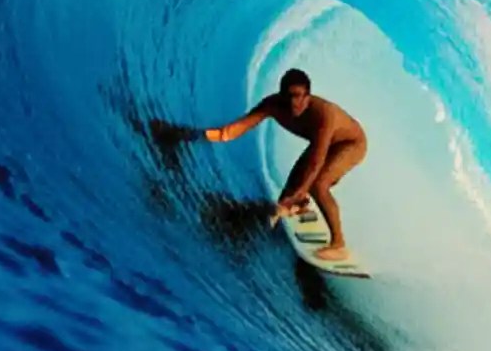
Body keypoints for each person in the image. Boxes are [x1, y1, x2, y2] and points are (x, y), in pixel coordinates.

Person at [153, 69, 367, 261]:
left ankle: (339, 244)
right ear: (281, 95)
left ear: (308, 96)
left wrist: (300, 191)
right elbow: (231, 131)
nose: (295, 102)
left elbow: (317, 161)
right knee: (285, 199)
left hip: (350, 144)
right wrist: (193, 135)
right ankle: (300, 207)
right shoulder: (273, 105)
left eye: (300, 96)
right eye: (290, 96)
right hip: (321, 145)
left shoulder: (323, 114)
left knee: (318, 184)